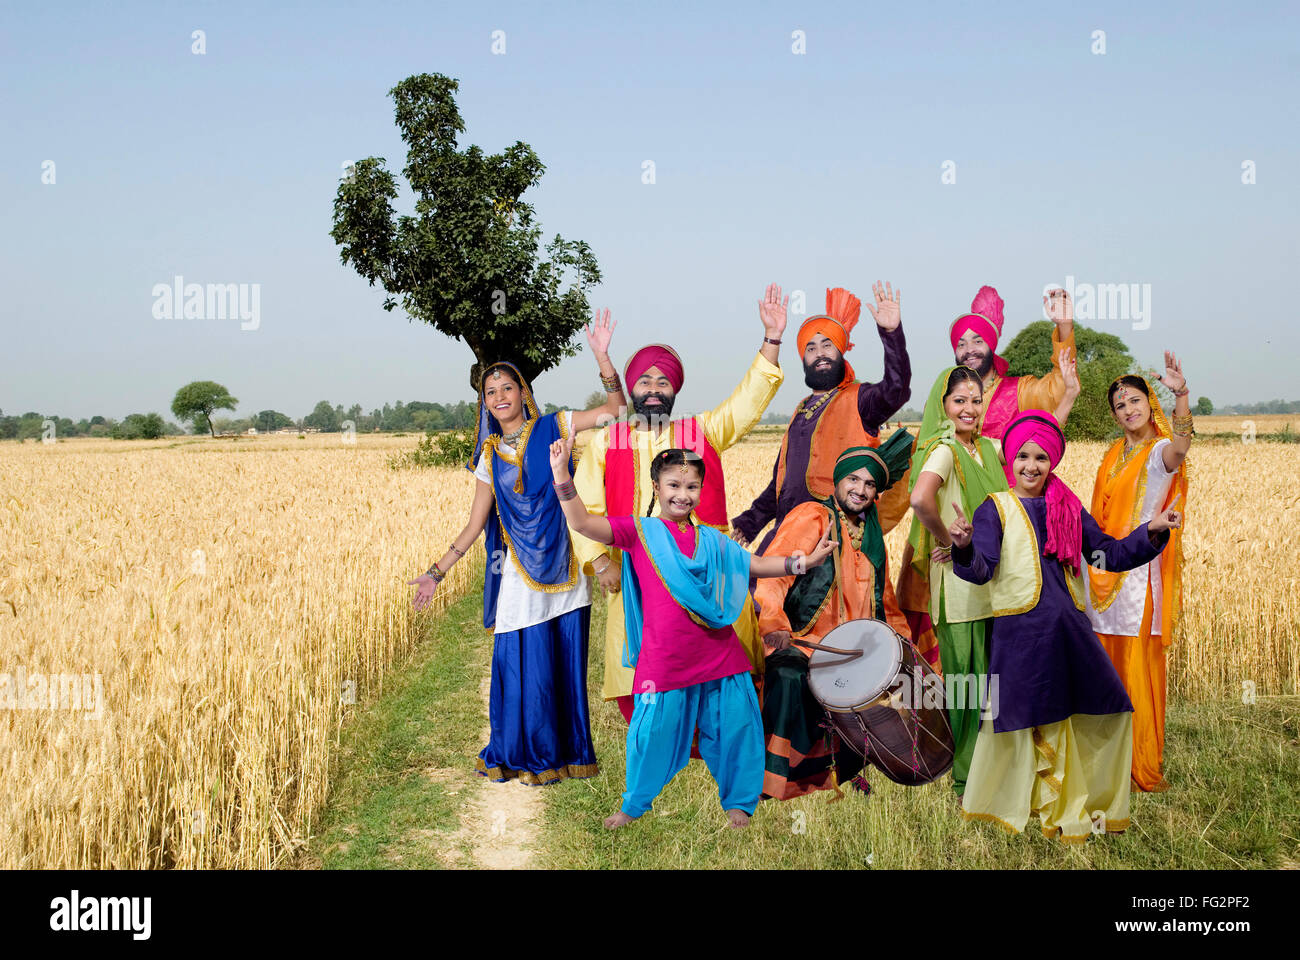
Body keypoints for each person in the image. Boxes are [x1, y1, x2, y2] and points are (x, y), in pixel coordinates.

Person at [550, 440, 836, 829]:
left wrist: (804, 560)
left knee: (737, 728)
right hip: (665, 657)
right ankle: (633, 804)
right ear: (656, 487)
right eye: (673, 486)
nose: (683, 495)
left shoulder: (712, 540)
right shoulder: (640, 532)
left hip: (718, 654)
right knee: (650, 735)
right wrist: (563, 477)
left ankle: (739, 802)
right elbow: (583, 523)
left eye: (691, 487)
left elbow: (753, 564)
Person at [407, 310, 628, 785]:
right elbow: (473, 525)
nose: (500, 396)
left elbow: (617, 410)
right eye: (491, 392)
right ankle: (520, 753)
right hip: (518, 572)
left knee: (562, 663)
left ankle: (566, 755)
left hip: (566, 566)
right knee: (516, 662)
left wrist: (603, 358)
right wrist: (436, 571)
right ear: (485, 404)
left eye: (507, 387)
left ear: (522, 391)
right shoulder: (488, 457)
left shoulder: (557, 425)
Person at [948, 410, 1181, 841]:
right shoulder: (994, 508)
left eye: (1040, 458)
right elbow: (982, 570)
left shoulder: (1068, 507)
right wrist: (962, 548)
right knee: (1017, 718)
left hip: (1069, 631)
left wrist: (1150, 530)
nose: (1031, 466)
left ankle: (1075, 800)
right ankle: (1018, 800)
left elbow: (1106, 555)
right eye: (1022, 457)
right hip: (1020, 636)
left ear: (1051, 462)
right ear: (1010, 461)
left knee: (1107, 705)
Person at [572, 285, 786, 721]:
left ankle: (711, 729)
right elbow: (584, 506)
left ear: (675, 390)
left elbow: (746, 404)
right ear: (632, 389)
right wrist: (598, 562)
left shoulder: (700, 432)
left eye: (663, 381)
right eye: (645, 381)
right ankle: (658, 731)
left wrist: (772, 338)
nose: (654, 388)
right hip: (635, 573)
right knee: (640, 664)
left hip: (700, 571)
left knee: (712, 657)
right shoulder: (606, 442)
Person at [754, 433, 914, 800]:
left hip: (849, 649)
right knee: (789, 674)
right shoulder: (814, 516)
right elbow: (774, 573)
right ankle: (768, 781)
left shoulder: (871, 536)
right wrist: (774, 625)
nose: (860, 489)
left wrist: (903, 646)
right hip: (801, 639)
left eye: (870, 484)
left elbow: (884, 599)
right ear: (838, 480)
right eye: (853, 479)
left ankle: (844, 772)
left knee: (893, 681)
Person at [1085, 359, 1192, 792]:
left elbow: (1181, 449)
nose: (1128, 408)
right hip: (1103, 572)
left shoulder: (1157, 452)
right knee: (1105, 667)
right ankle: (1106, 759)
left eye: (1134, 400)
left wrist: (1181, 394)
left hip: (1139, 578)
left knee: (1134, 667)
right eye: (1119, 404)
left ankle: (1139, 762)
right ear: (1113, 414)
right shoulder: (1114, 453)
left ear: (1149, 404)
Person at [902, 366, 1009, 797]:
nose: (969, 408)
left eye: (976, 400)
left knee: (992, 681)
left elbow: (1035, 451)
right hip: (959, 587)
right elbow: (919, 499)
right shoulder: (944, 450)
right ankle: (965, 774)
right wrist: (949, 540)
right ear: (942, 407)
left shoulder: (988, 447)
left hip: (994, 584)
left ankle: (993, 765)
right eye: (959, 401)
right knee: (966, 681)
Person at [951, 283, 1080, 440]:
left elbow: (1061, 388)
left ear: (991, 346)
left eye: (978, 342)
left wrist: (1064, 325)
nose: (969, 350)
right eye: (961, 344)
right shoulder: (944, 398)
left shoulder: (1018, 392)